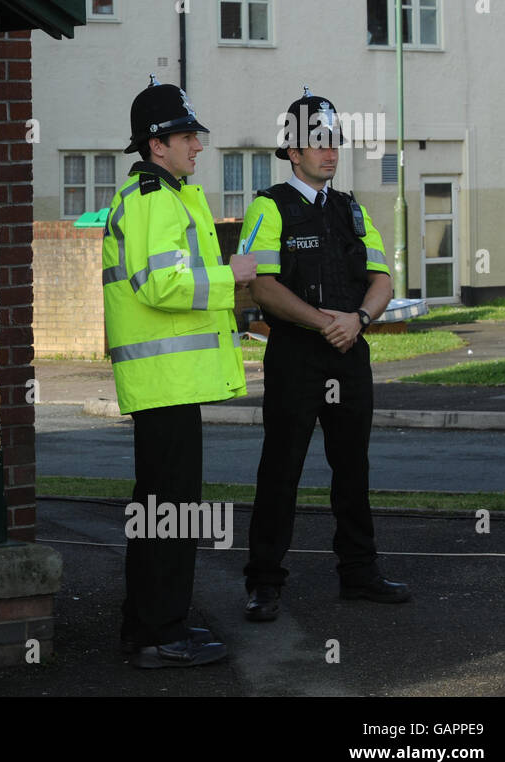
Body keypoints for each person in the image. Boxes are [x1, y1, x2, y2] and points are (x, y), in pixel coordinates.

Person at [103, 76, 256, 668]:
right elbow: (160, 283)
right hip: (164, 386)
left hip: (172, 385)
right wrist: (232, 276)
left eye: (196, 135)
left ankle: (150, 627)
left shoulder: (173, 193)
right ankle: (159, 634)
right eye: (186, 135)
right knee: (170, 511)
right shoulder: (152, 198)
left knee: (162, 510)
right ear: (154, 144)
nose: (198, 146)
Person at [241, 87, 409, 622]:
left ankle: (359, 573)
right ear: (293, 152)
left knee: (352, 467)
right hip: (296, 355)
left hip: (349, 354)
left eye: (334, 140)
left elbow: (382, 278)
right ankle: (264, 582)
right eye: (317, 142)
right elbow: (260, 288)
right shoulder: (268, 208)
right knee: (281, 469)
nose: (330, 151)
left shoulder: (351, 208)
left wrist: (357, 320)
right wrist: (324, 323)